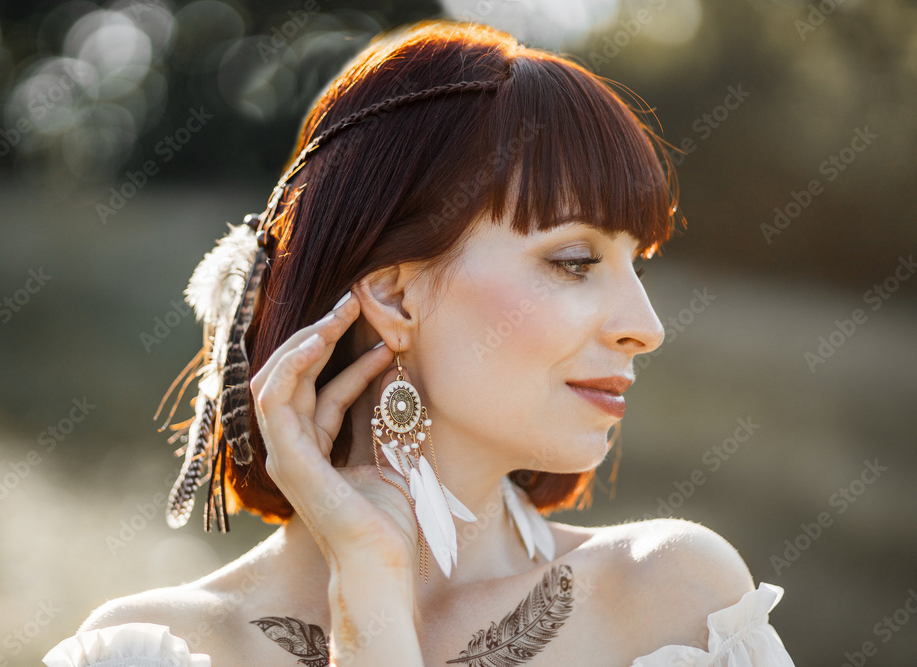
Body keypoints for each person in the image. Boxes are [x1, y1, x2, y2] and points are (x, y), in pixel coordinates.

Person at [43, 19, 795, 667]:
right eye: (574, 261)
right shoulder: (156, 649)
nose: (647, 325)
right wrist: (368, 581)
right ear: (394, 296)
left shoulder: (676, 604)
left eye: (640, 261)